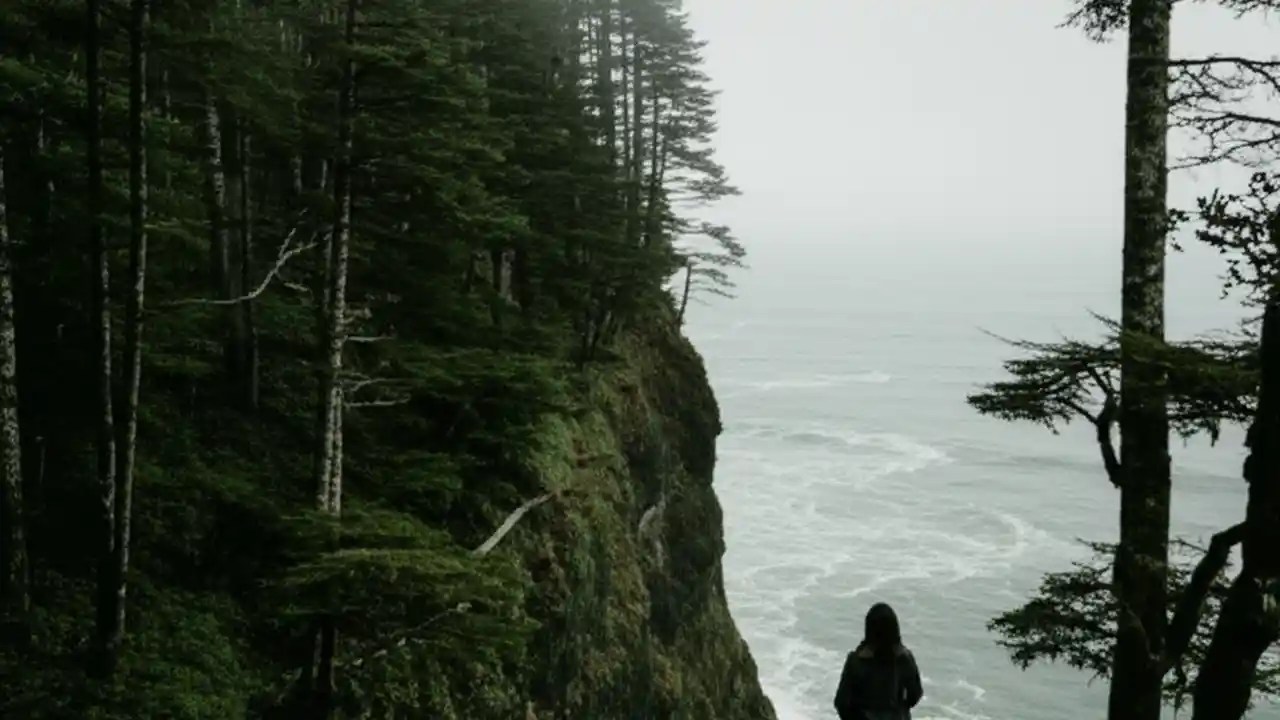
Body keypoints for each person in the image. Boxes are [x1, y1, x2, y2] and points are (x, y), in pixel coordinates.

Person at [832, 602, 923, 720]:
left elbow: (841, 703)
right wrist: (901, 709)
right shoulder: (904, 659)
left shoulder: (856, 661)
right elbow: (915, 694)